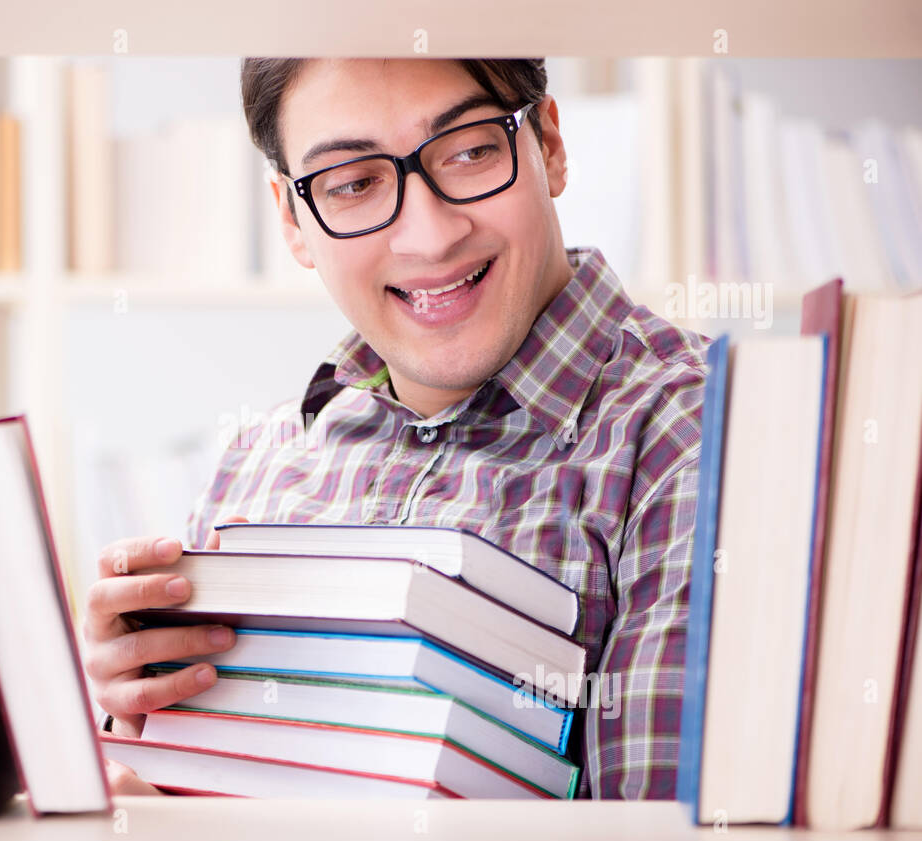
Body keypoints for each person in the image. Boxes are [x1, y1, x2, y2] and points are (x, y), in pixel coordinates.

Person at [84, 56, 712, 799]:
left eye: (471, 149)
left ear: (548, 143)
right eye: (354, 183)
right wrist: (143, 773)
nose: (428, 236)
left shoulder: (696, 436)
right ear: (294, 220)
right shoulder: (259, 462)